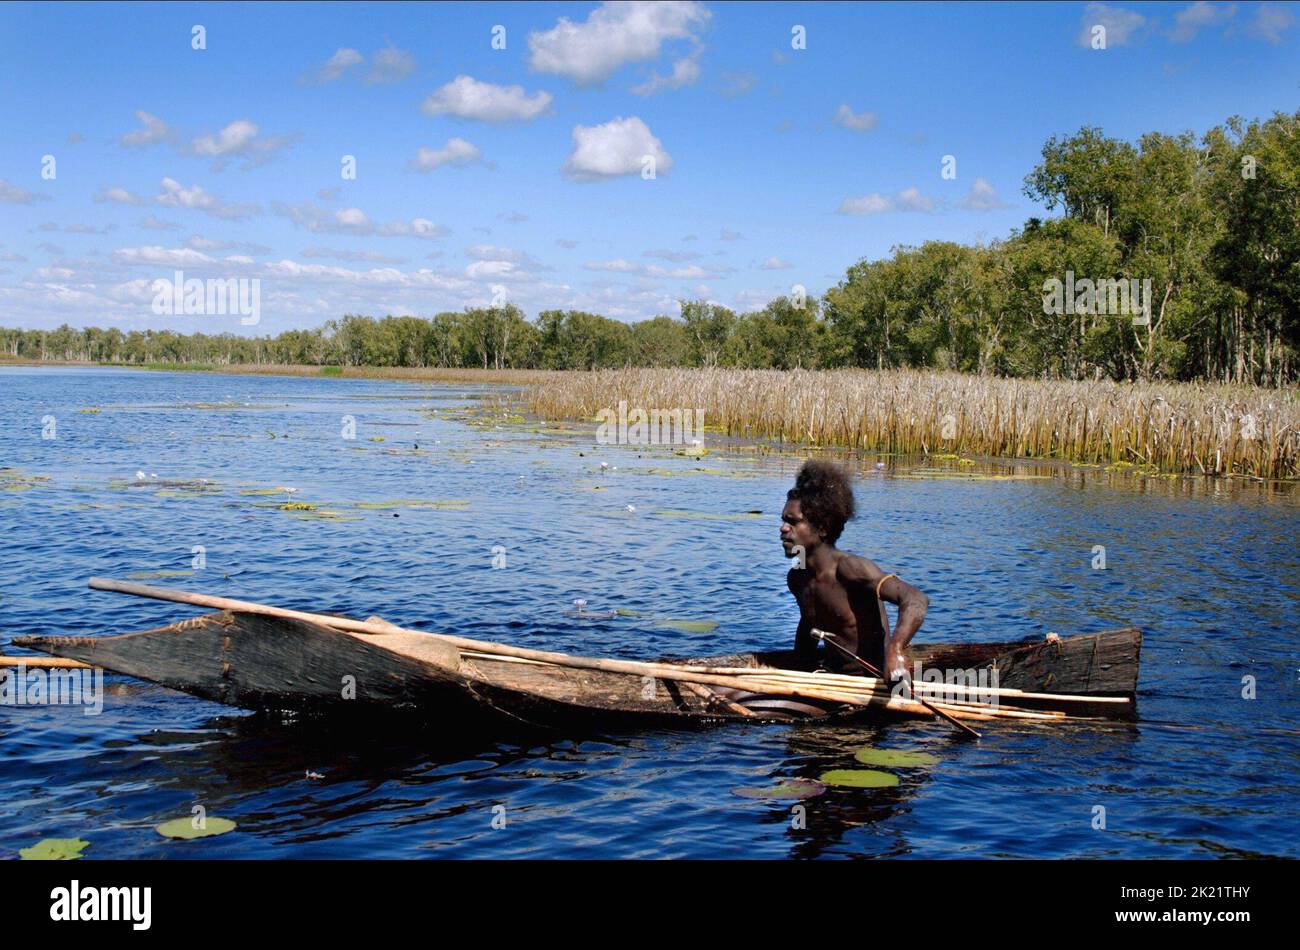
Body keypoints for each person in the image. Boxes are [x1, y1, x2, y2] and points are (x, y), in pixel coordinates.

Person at [780, 460, 928, 683]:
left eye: (793, 522)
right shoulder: (797, 577)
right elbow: (809, 622)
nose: (783, 528)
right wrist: (796, 670)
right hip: (833, 679)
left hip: (872, 682)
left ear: (822, 528)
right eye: (783, 520)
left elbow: (915, 598)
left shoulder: (851, 569)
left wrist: (896, 651)